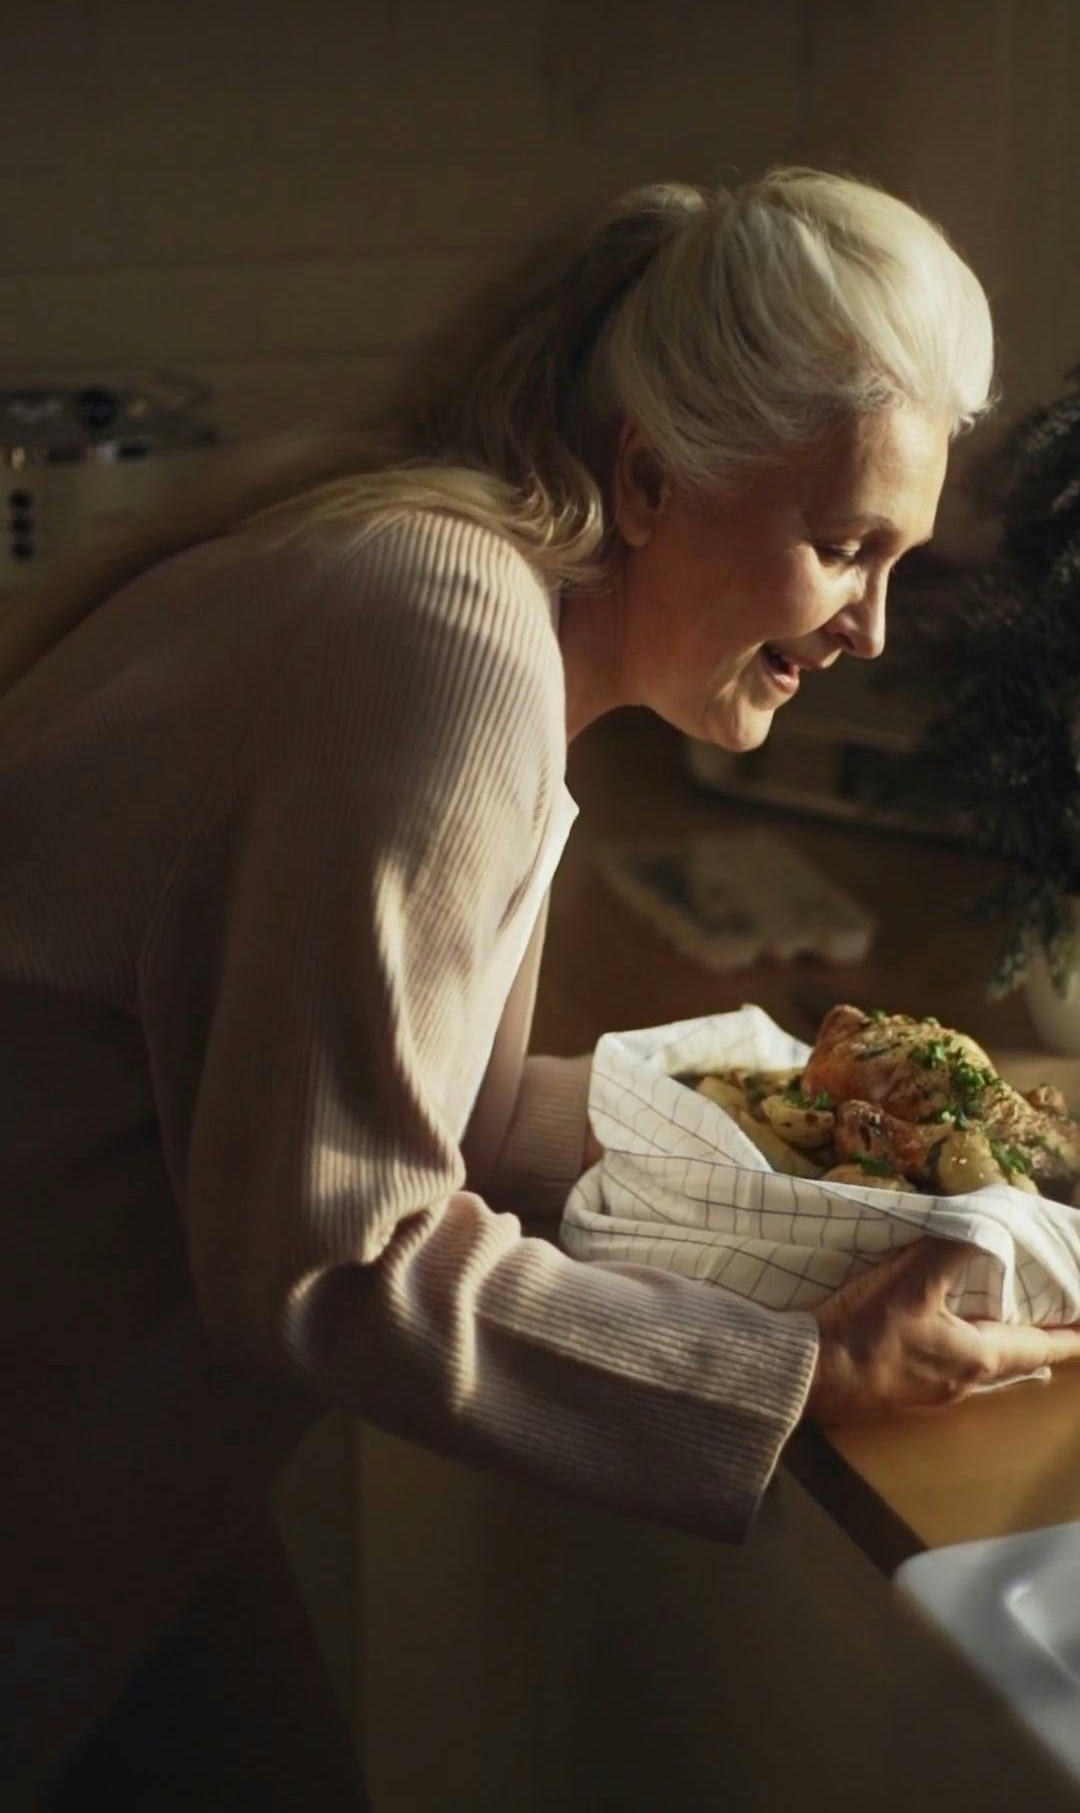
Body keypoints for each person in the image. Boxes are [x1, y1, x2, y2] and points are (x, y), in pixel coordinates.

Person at [6, 167, 1080, 1809]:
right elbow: (340, 1253)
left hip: (99, 1425)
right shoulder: (444, 639)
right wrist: (797, 1378)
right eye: (841, 547)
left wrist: (841, 1146)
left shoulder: (442, 577)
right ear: (651, 476)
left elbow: (456, 1113)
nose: (871, 630)